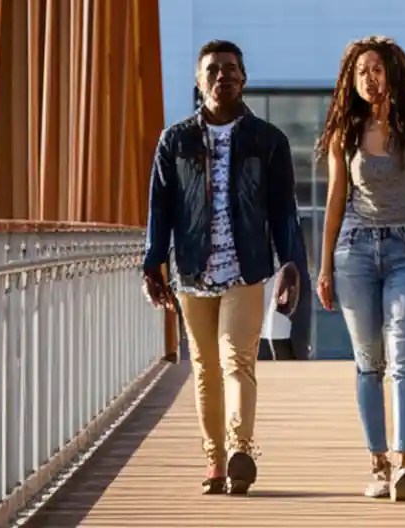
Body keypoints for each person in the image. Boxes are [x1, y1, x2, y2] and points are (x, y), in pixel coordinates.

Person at [142, 39, 309, 496]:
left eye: (231, 68)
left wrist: (290, 263)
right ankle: (214, 462)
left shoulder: (267, 140)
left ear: (244, 79)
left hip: (246, 267)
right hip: (193, 270)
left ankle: (240, 450)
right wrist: (152, 261)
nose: (223, 76)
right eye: (213, 69)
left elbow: (283, 211)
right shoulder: (175, 141)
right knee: (205, 368)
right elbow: (160, 208)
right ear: (199, 81)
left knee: (238, 360)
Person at [315, 35, 405, 502]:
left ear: (393, 72)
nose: (369, 79)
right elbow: (336, 200)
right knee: (368, 361)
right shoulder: (345, 134)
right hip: (354, 250)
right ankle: (377, 462)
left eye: (376, 69)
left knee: (403, 354)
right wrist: (324, 267)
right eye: (360, 73)